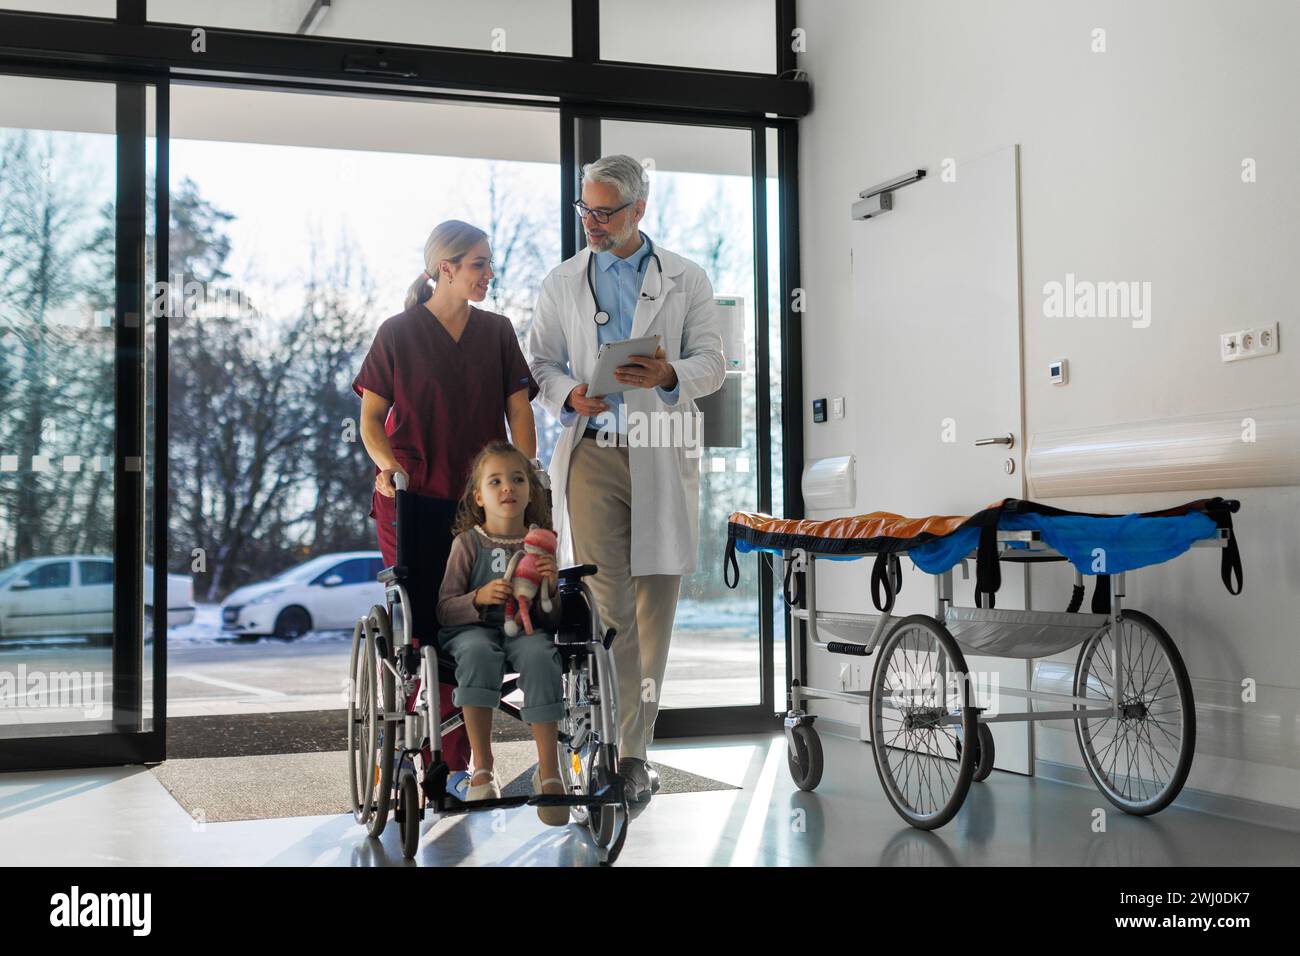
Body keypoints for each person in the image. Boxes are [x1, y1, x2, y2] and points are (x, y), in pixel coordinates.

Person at [528, 154, 725, 802]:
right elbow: (541, 362)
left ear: (639, 210)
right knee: (612, 604)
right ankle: (613, 747)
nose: (591, 221)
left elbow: (714, 363)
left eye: (604, 211)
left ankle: (636, 755)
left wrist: (669, 377)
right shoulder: (562, 282)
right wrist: (569, 394)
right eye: (584, 209)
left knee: (655, 605)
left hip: (660, 451)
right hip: (593, 453)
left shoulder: (686, 278)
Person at [353, 219, 540, 781]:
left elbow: (521, 413)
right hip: (412, 499)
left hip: (481, 504)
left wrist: (522, 471)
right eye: (478, 263)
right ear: (446, 269)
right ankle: (420, 754)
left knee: (474, 619)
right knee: (421, 627)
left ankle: (458, 764)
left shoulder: (498, 332)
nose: (489, 273)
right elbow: (369, 420)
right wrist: (388, 468)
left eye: (489, 263)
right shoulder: (397, 333)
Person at [436, 441, 567, 824]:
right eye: (495, 481)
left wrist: (551, 586)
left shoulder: (541, 545)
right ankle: (483, 767)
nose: (507, 487)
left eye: (517, 479)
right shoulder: (468, 544)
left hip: (525, 631)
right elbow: (444, 608)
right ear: (479, 496)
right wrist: (477, 597)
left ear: (530, 491)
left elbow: (553, 617)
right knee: (478, 652)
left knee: (542, 655)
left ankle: (549, 772)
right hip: (471, 632)